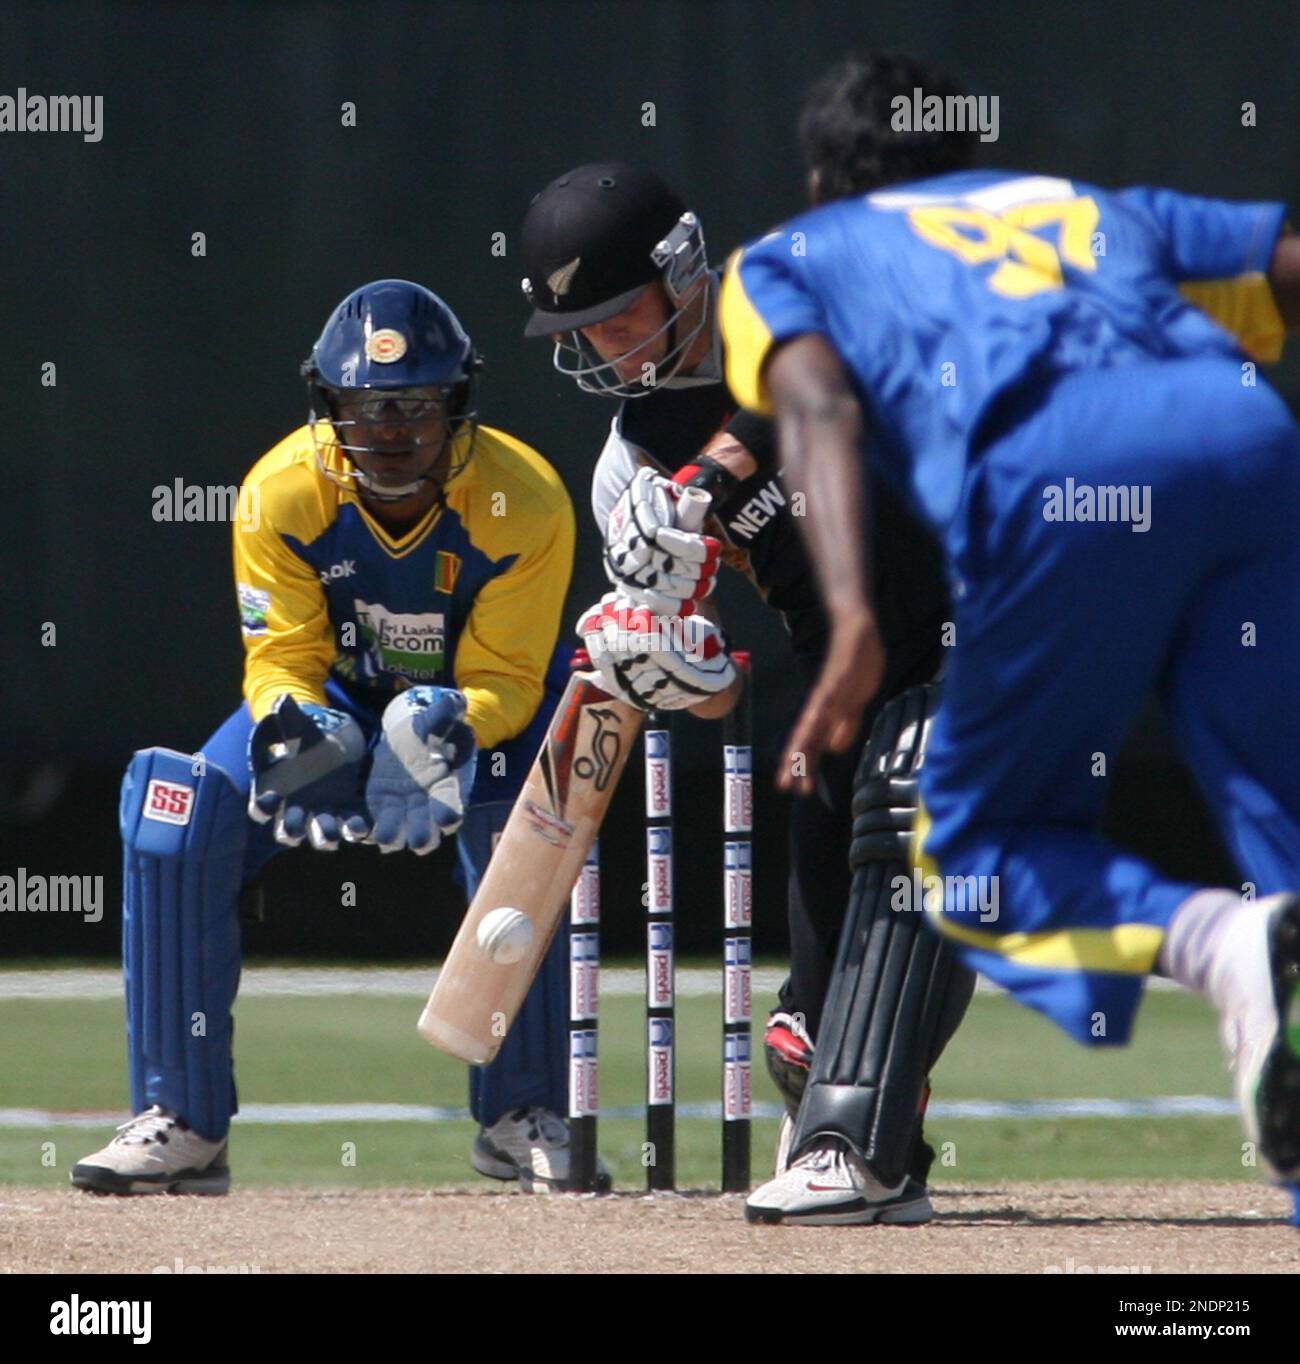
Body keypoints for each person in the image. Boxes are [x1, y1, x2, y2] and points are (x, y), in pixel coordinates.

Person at [720, 52, 1300, 1208]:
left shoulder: (792, 255)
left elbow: (819, 403)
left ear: (826, 176)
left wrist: (846, 619)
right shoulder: (1088, 207)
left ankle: (1214, 945)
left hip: (1056, 476)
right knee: (1282, 841)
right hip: (1248, 449)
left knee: (966, 850)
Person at [520, 159, 973, 1223]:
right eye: (584, 333)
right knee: (807, 1012)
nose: (609, 347)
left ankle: (848, 1138)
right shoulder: (630, 459)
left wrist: (712, 475)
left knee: (919, 815)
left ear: (682, 271)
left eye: (620, 314)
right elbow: (694, 650)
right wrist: (658, 652)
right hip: (842, 672)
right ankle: (870, 1136)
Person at [71, 278, 596, 1196]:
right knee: (176, 812)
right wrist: (292, 723)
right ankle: (179, 1119)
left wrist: (449, 729)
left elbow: (511, 679)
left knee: (532, 827)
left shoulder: (527, 499)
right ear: (331, 406)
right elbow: (279, 656)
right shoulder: (281, 490)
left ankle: (522, 1112)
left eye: (418, 407)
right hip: (339, 706)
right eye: (366, 409)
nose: (392, 432)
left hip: (471, 716)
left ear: (457, 407)